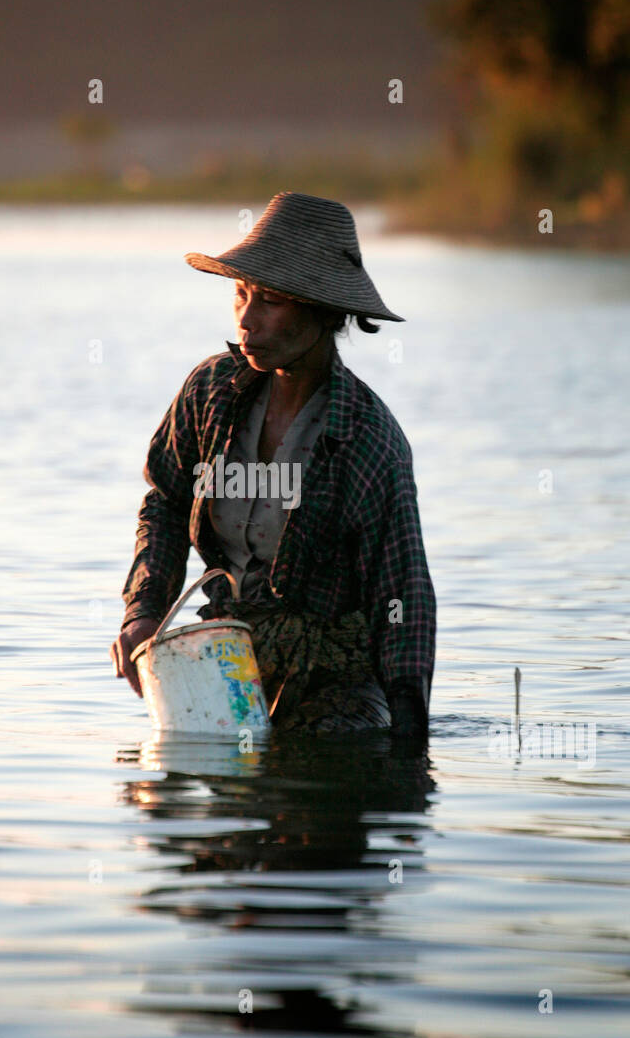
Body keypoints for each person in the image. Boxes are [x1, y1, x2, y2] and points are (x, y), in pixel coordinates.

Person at [111, 192, 436, 745]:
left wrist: (410, 739)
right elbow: (165, 503)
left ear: (325, 311)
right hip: (223, 661)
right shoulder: (210, 394)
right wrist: (144, 612)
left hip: (334, 689)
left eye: (271, 301)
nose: (247, 318)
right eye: (241, 294)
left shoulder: (368, 439)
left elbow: (402, 594)